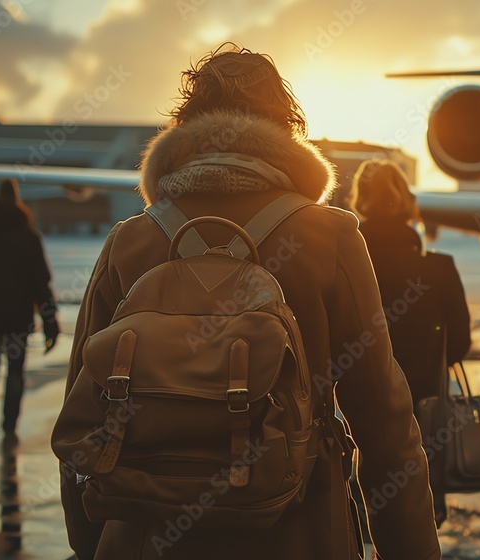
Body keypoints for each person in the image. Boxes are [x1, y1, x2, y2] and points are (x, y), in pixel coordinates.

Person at [55, 44, 440, 559]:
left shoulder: (131, 242)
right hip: (300, 533)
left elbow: (81, 417)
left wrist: (91, 544)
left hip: (146, 533)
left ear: (184, 127)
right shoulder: (329, 237)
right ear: (285, 128)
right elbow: (384, 420)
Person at [350, 159, 472, 527]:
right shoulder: (439, 269)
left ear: (361, 201)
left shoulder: (347, 266)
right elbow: (461, 343)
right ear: (407, 202)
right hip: (423, 410)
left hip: (357, 410)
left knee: (362, 514)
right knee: (417, 519)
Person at [0, 179, 59, 453]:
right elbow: (42, 284)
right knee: (14, 374)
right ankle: (9, 429)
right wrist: (50, 323)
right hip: (18, 319)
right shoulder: (29, 239)